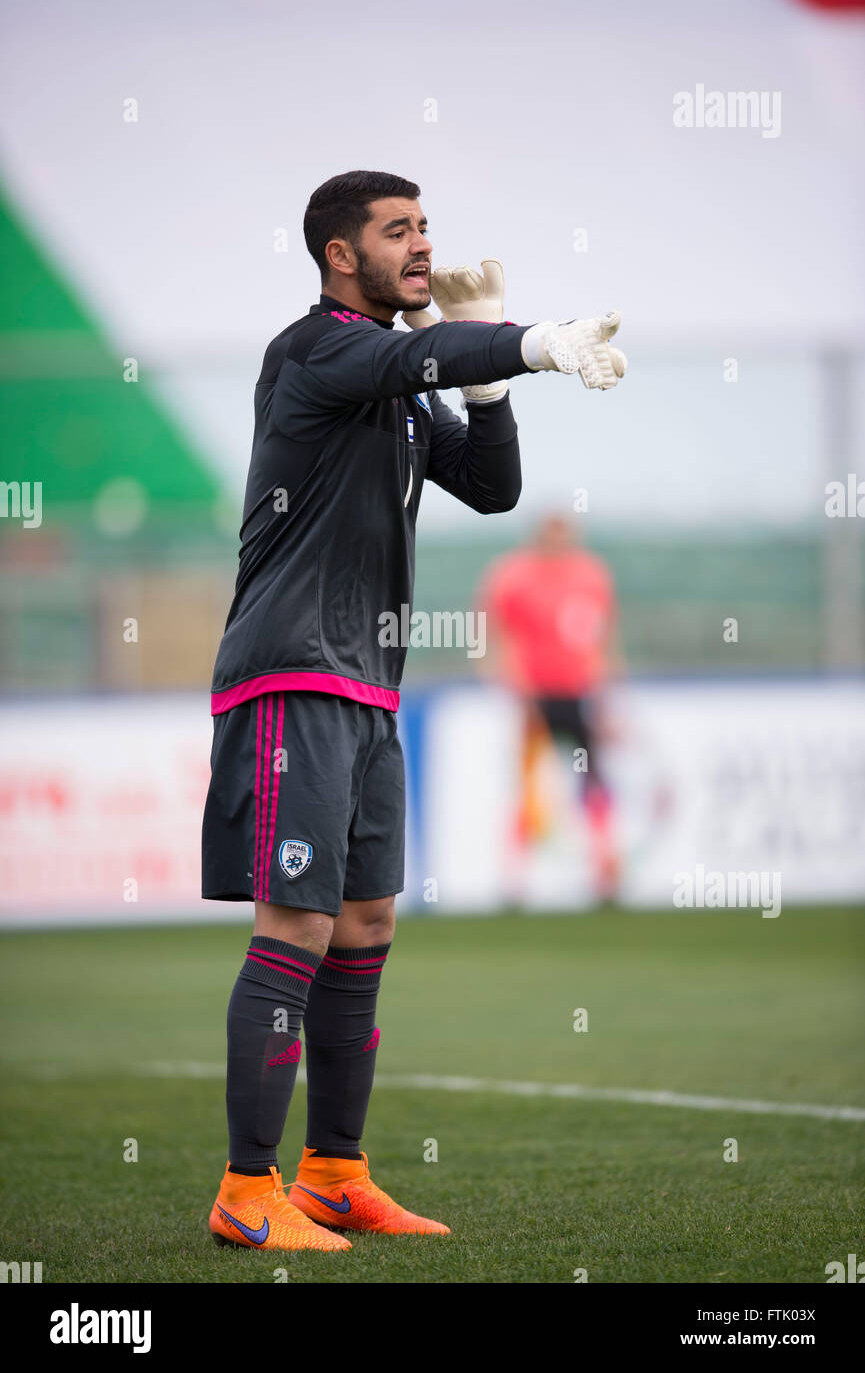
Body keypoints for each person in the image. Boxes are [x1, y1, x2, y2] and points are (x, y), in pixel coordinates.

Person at [200, 169, 627, 1252]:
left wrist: (490, 381)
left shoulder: (389, 384)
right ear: (342, 255)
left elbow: (491, 488)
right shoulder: (319, 351)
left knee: (364, 926)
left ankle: (334, 1174)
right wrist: (530, 341)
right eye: (398, 232)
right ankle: (245, 1192)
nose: (421, 247)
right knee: (293, 925)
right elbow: (412, 352)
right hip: (293, 673)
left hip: (366, 687)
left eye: (424, 227)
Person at [479, 513, 623, 902]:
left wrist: (608, 696)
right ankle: (514, 879)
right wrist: (514, 685)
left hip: (579, 692)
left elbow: (605, 637)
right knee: (529, 786)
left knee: (593, 779)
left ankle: (605, 870)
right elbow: (495, 634)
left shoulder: (591, 575)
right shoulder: (513, 576)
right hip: (535, 694)